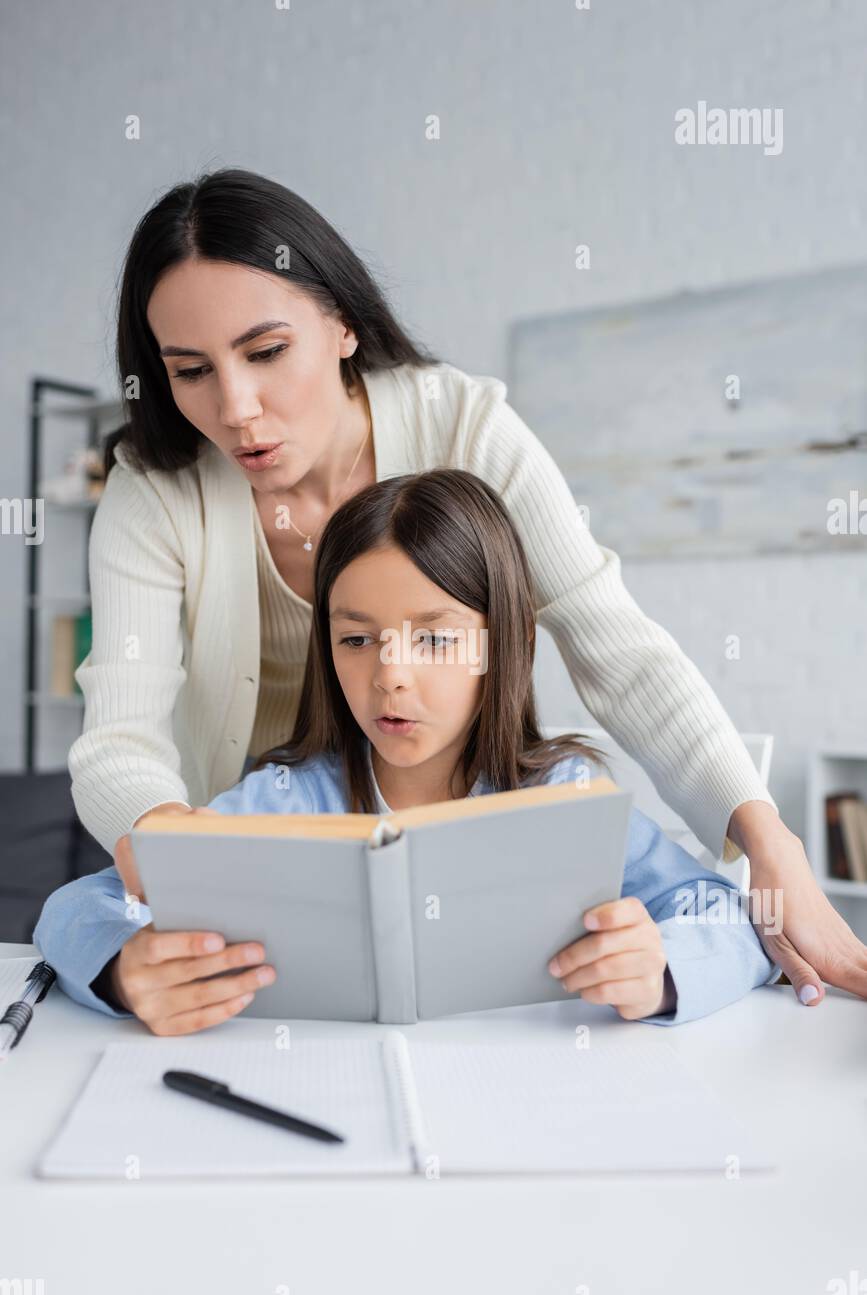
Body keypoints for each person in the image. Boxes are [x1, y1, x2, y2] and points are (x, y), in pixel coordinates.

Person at [68, 167, 867, 1008]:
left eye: (266, 353)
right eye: (189, 370)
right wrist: (170, 861)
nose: (235, 408)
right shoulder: (155, 490)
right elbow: (118, 737)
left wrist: (767, 846)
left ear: (341, 322)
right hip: (241, 866)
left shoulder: (465, 428)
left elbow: (621, 654)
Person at [37, 471, 782, 1035]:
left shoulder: (566, 795)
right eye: (356, 639)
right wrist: (124, 975)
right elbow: (80, 905)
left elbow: (730, 918)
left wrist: (660, 974)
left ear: (505, 645)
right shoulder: (280, 798)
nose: (389, 673)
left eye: (433, 636)